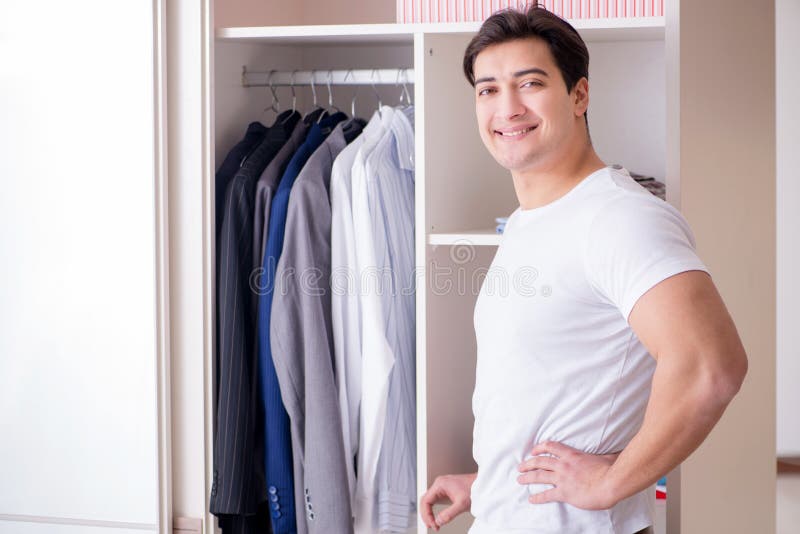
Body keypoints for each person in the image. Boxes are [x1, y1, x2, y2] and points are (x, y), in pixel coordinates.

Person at [419, 4, 748, 534]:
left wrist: (610, 482)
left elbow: (713, 367)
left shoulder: (621, 217)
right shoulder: (531, 222)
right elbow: (557, 390)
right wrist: (495, 484)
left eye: (529, 83)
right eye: (488, 89)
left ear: (579, 95)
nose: (507, 108)